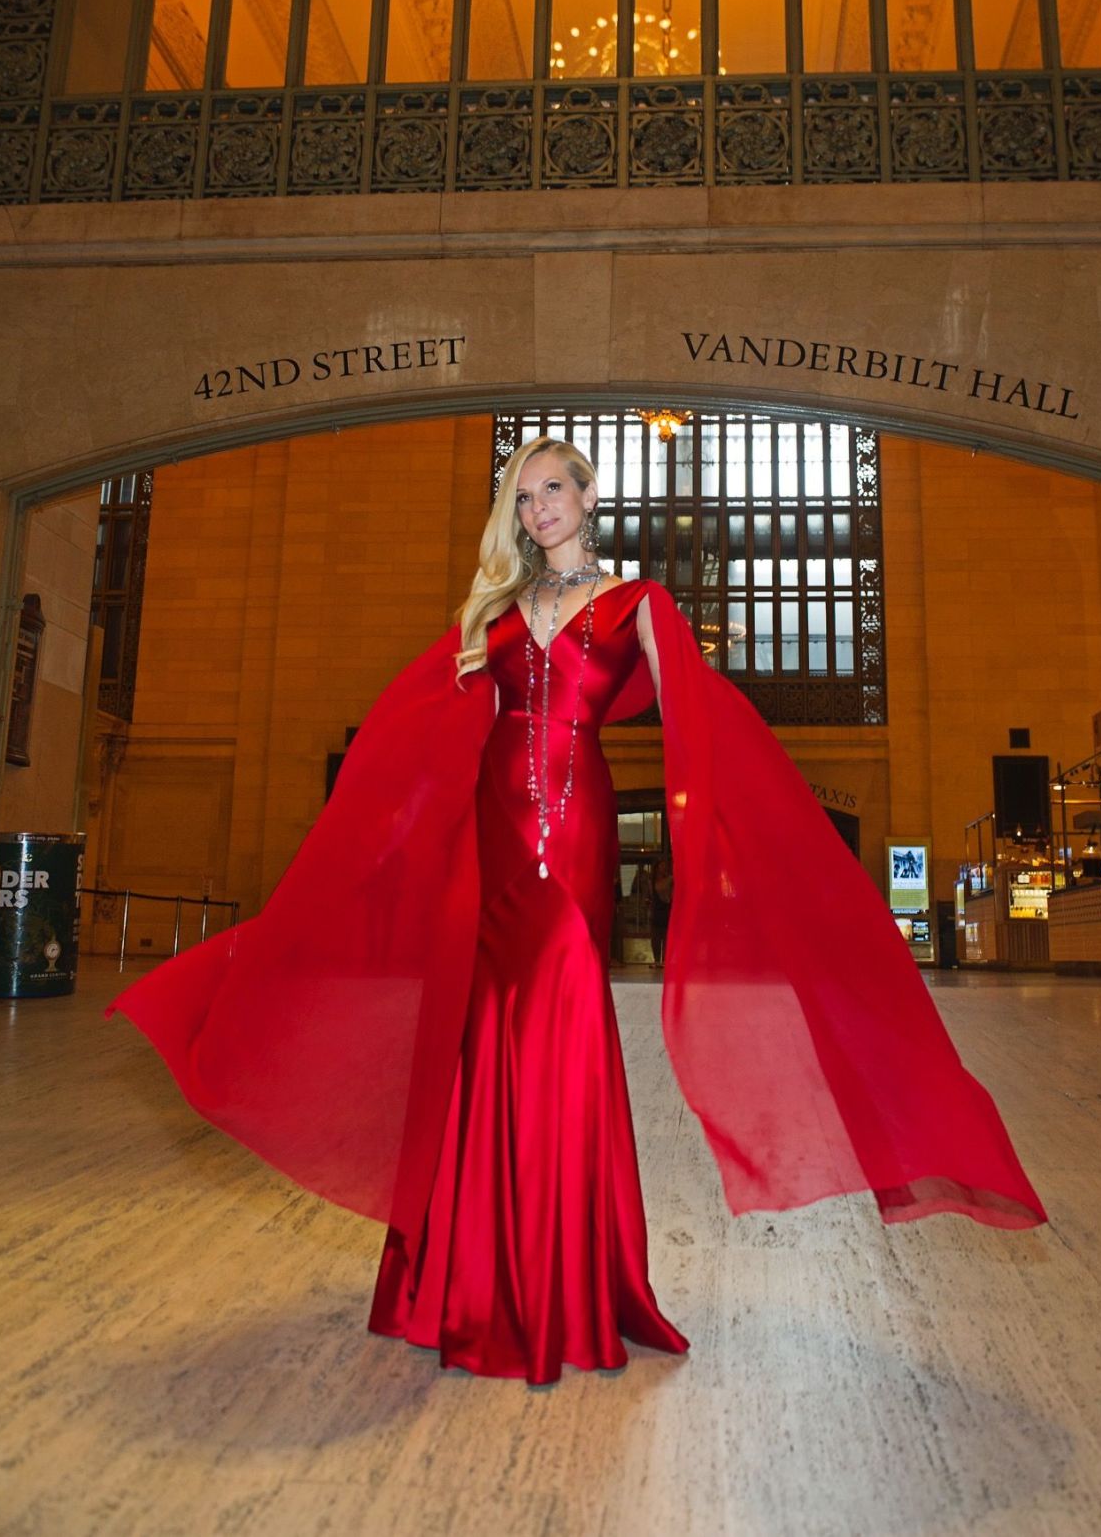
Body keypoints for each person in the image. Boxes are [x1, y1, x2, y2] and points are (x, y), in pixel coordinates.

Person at [107, 435, 1047, 1389]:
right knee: (483, 1023)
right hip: (497, 823)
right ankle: (464, 1275)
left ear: (589, 496)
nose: (538, 509)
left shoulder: (639, 603)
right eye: (522, 499)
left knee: (559, 1007)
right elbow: (419, 723)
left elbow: (702, 714)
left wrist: (739, 835)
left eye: (552, 490)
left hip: (578, 826)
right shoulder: (497, 609)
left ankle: (559, 1274)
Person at [650, 857, 673, 968]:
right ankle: (656, 959)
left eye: (665, 866)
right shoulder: (652, 881)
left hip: (666, 911)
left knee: (665, 937)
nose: (664, 868)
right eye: (661, 866)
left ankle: (664, 959)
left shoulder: (670, 880)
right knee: (656, 937)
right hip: (656, 912)